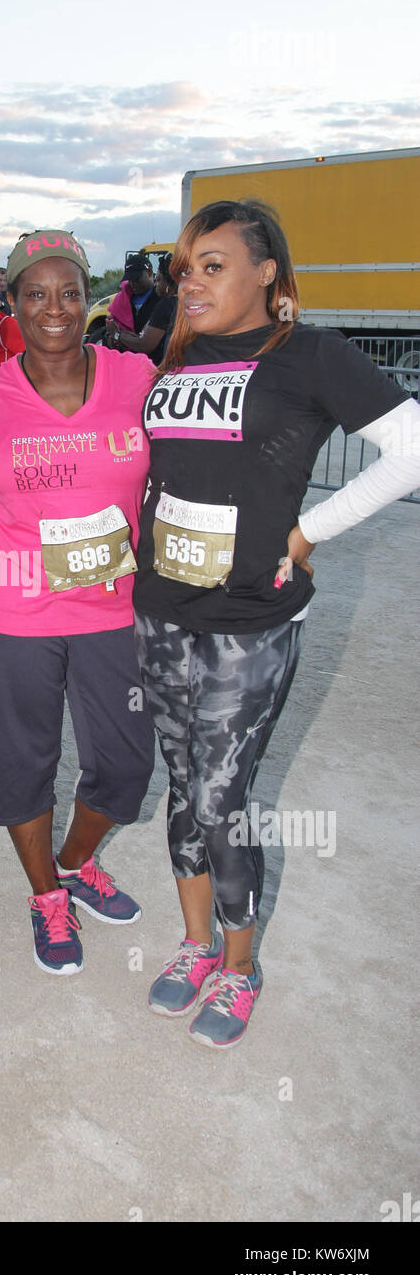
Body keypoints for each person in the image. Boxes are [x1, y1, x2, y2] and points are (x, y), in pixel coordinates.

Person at [132, 198, 420, 1047]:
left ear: (267, 272)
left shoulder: (311, 355)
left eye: (213, 265)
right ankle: (194, 944)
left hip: (248, 620)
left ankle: (239, 964)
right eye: (185, 268)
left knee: (223, 800)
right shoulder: (174, 359)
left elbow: (412, 449)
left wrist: (307, 533)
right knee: (183, 789)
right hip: (161, 608)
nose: (190, 282)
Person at [0, 230, 156, 974]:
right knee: (24, 759)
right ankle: (46, 894)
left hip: (113, 603)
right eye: (36, 294)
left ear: (90, 300)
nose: (55, 308)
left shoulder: (136, 374)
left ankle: (76, 863)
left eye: (70, 292)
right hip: (14, 605)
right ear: (12, 305)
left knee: (126, 763)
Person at [109, 253, 178, 366]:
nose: (156, 283)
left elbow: (145, 344)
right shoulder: (182, 302)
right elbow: (142, 337)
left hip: (159, 370)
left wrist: (117, 335)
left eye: (159, 279)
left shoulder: (166, 304)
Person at [104, 253, 158, 348]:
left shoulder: (161, 299)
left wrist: (118, 335)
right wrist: (111, 337)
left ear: (149, 272)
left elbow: (146, 344)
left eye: (136, 279)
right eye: (130, 279)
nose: (133, 284)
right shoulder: (122, 300)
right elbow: (109, 336)